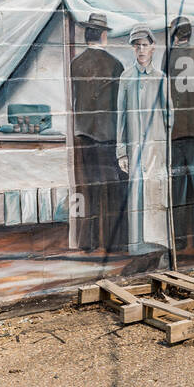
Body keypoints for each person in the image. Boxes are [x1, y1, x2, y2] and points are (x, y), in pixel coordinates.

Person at [69, 13, 126, 253]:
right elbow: (120, 105)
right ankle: (111, 241)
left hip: (82, 134)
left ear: (86, 34)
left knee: (86, 190)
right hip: (108, 135)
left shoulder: (75, 64)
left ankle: (86, 242)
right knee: (111, 191)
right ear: (103, 35)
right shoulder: (115, 65)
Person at [116, 25, 172, 262]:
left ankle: (158, 243)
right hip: (134, 147)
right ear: (133, 49)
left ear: (152, 48)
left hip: (156, 149)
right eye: (137, 46)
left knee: (156, 193)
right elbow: (120, 117)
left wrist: (164, 141)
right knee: (137, 194)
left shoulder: (161, 78)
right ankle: (138, 247)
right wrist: (122, 151)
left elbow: (170, 114)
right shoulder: (126, 78)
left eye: (145, 45)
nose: (141, 49)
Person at [164, 16, 194, 250]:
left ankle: (180, 239)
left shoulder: (167, 56)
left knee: (178, 192)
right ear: (189, 34)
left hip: (174, 134)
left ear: (174, 34)